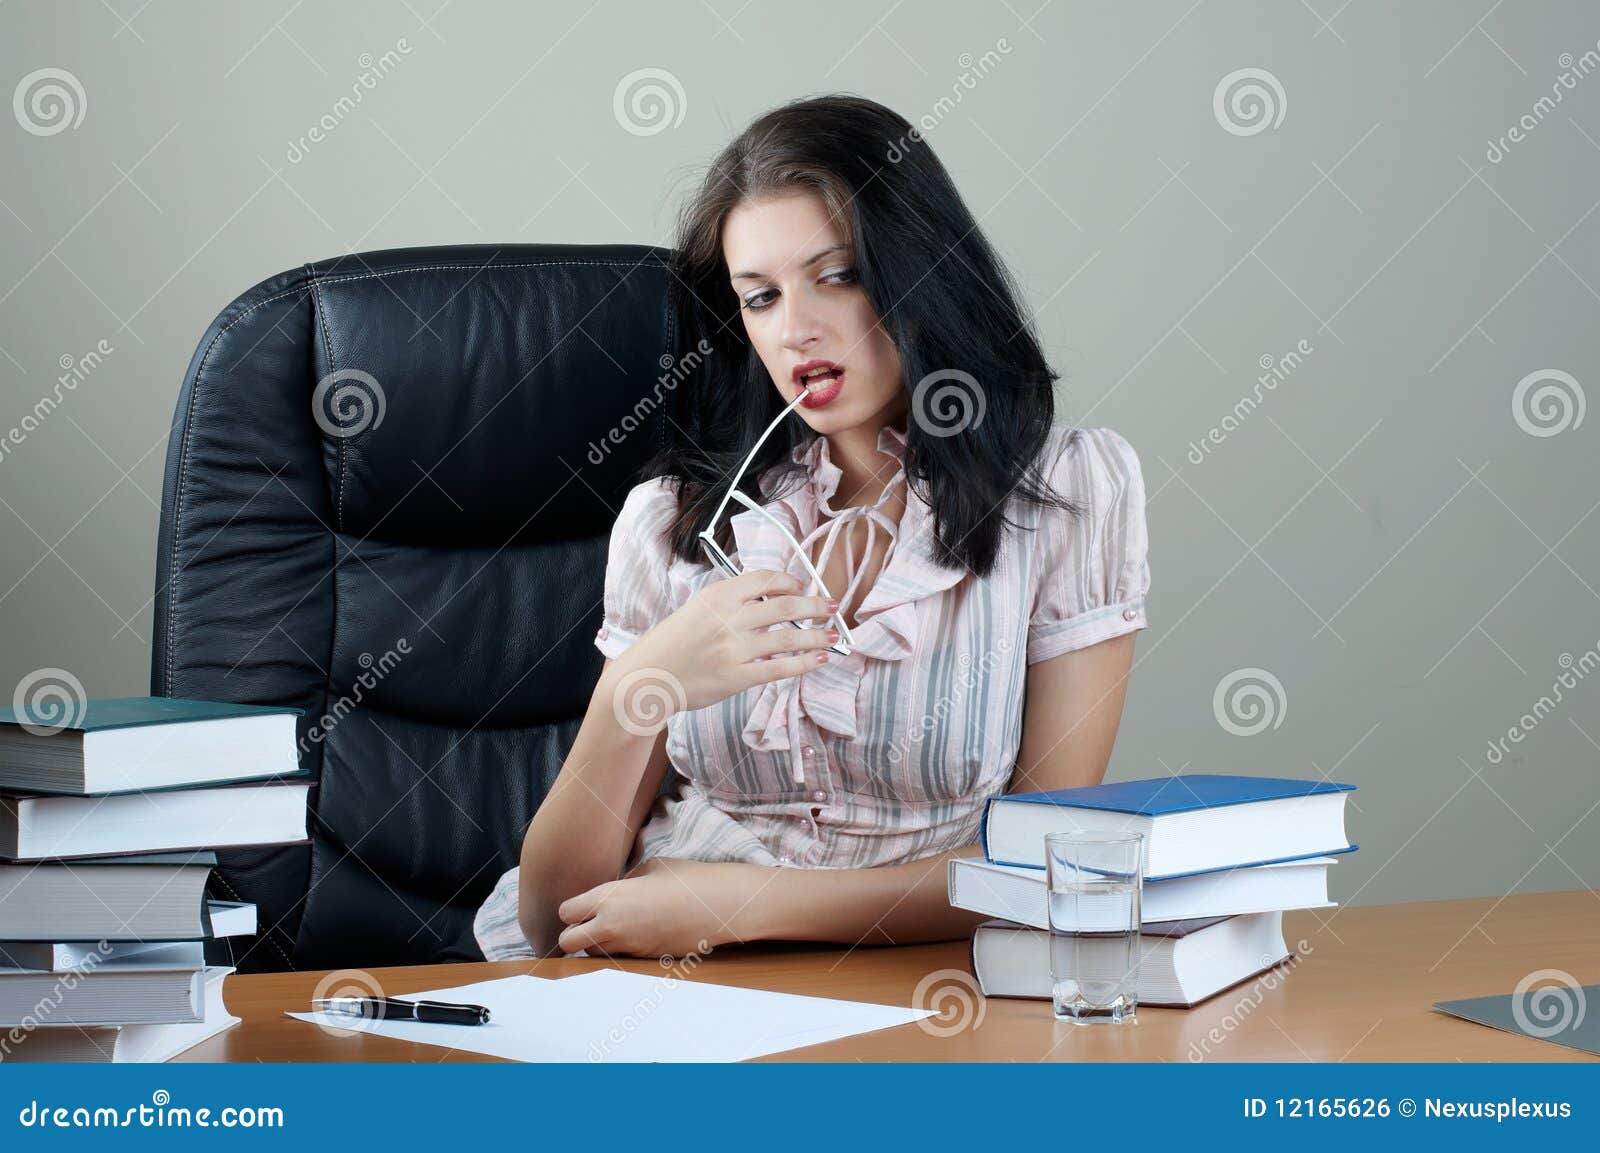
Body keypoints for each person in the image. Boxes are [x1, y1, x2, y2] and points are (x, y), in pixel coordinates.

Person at [473, 94, 1150, 960]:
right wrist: (633, 688)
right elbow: (552, 917)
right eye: (759, 297)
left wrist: (749, 901)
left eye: (838, 276)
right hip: (674, 984)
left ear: (921, 270)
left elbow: (1034, 869)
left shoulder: (1071, 492)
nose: (795, 330)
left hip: (924, 987)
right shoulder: (673, 523)